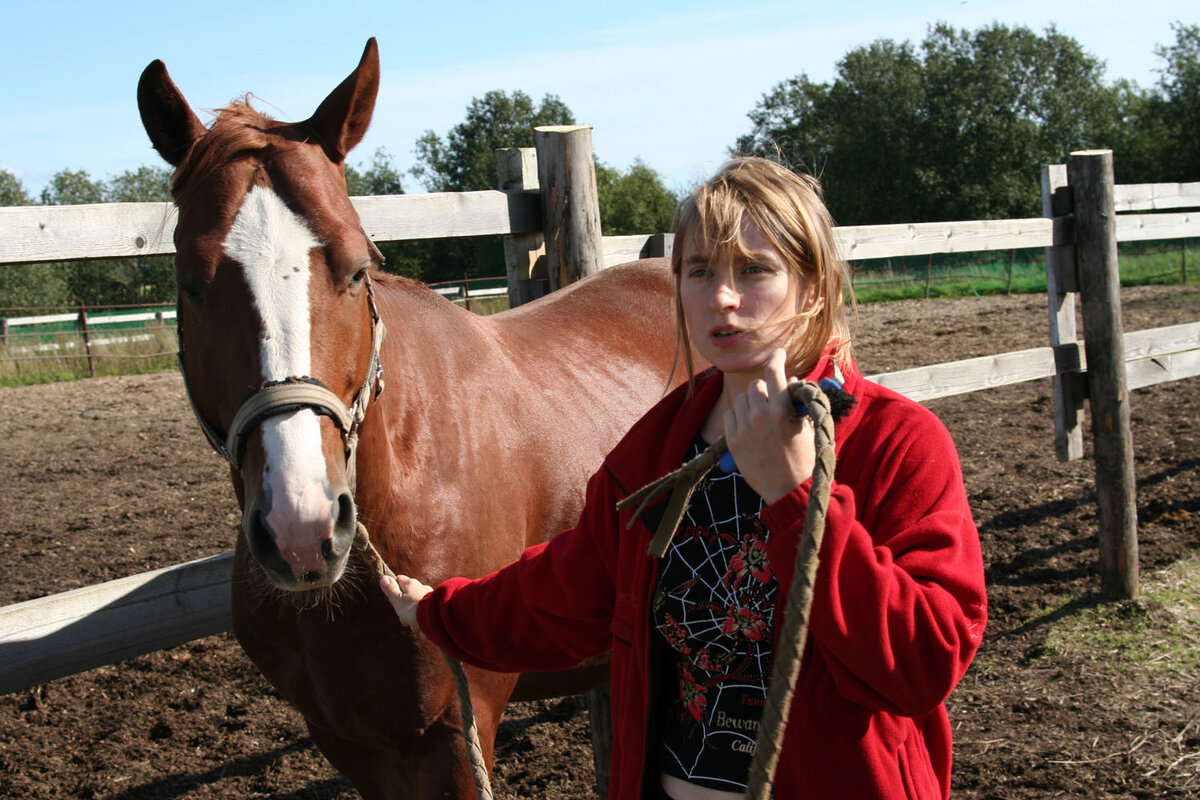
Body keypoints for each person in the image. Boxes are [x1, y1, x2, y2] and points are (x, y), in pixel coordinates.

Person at [380, 157, 987, 800]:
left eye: (754, 270)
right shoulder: (660, 448)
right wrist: (441, 612)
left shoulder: (896, 444)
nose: (721, 296)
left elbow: (923, 660)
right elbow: (570, 588)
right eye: (700, 272)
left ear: (812, 286)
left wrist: (796, 496)